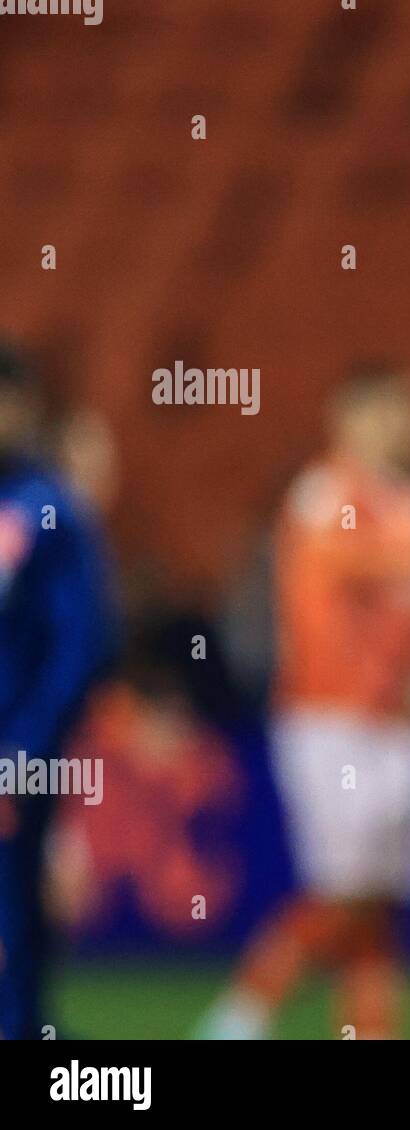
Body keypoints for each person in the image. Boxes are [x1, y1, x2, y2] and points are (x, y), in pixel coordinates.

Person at [197, 367, 410, 1039]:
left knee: (382, 901)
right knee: (345, 889)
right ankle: (241, 1015)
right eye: (383, 412)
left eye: (403, 414)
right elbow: (382, 572)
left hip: (400, 723)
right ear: (346, 417)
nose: (398, 427)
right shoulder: (325, 495)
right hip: (332, 719)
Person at [0, 341, 114, 1039]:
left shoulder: (49, 511)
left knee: (12, 913)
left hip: (15, 754)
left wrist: (26, 746)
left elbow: (82, 641)